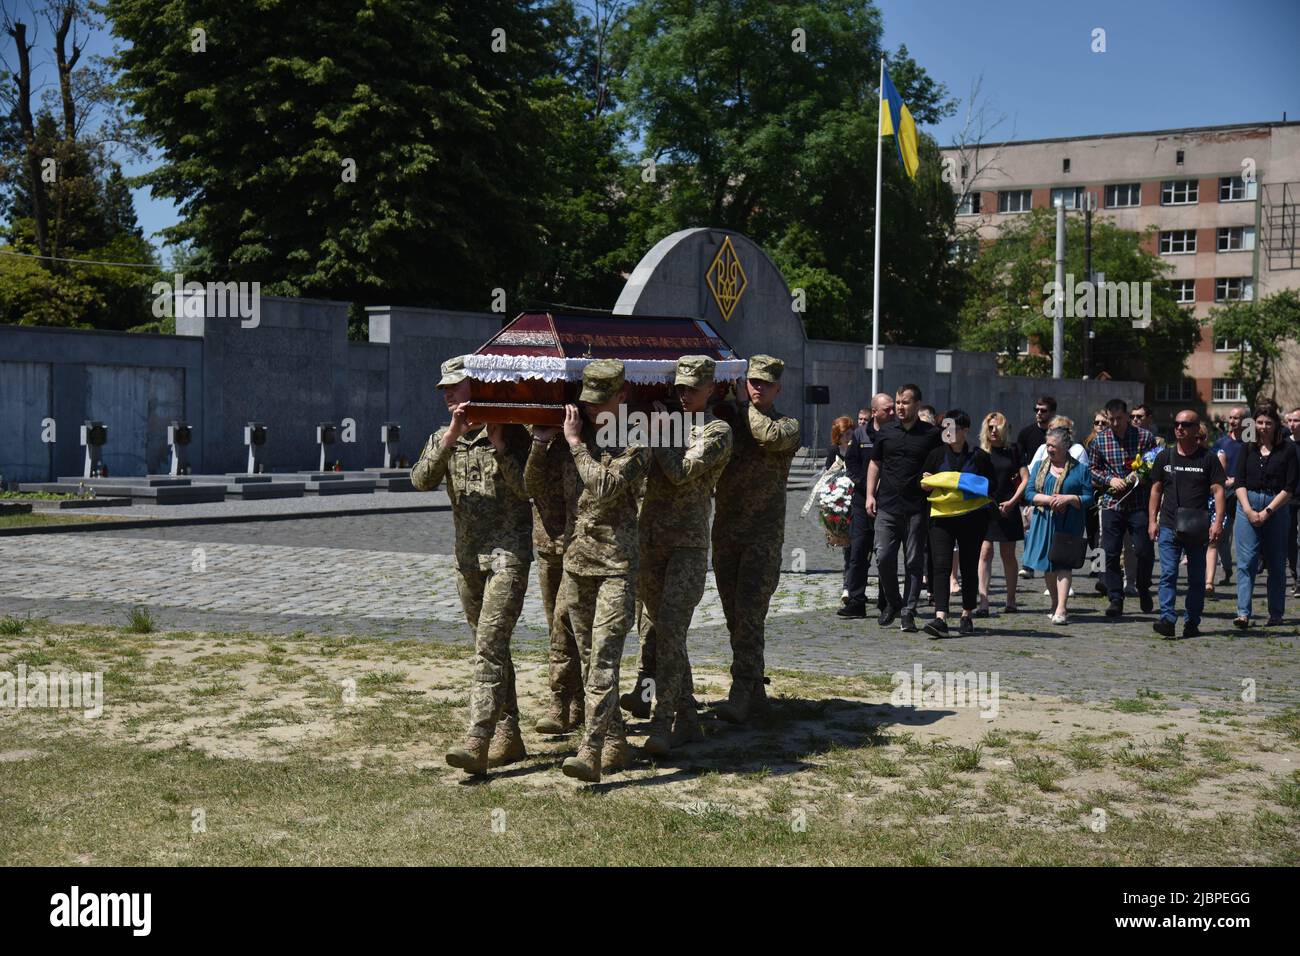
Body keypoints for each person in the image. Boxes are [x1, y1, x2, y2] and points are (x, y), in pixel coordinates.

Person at [528, 359, 650, 783]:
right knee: (586, 658)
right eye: (588, 402)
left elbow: (605, 487)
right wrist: (541, 445)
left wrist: (575, 443)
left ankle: (592, 750)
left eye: (603, 402)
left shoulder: (637, 437)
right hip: (577, 564)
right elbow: (535, 488)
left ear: (622, 397)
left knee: (603, 660)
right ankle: (615, 741)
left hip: (616, 565)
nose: (595, 410)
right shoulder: (571, 435)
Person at [413, 356, 534, 776]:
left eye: (456, 387)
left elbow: (529, 490)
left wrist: (501, 448)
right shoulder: (446, 437)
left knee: (489, 645)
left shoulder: (513, 435)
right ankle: (509, 732)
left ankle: (478, 739)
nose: (448, 394)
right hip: (467, 560)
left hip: (509, 557)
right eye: (444, 389)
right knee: (492, 648)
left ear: (478, 388)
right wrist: (451, 436)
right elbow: (420, 480)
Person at [630, 356, 733, 755]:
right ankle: (688, 717)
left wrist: (658, 435)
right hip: (649, 539)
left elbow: (680, 471)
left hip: (687, 545)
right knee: (660, 631)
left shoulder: (718, 430)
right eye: (679, 388)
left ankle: (663, 721)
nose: (684, 395)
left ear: (712, 389)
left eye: (692, 388)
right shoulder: (665, 425)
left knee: (671, 629)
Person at [711, 355, 800, 724]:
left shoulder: (787, 426)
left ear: (778, 388)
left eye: (765, 383)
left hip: (762, 537)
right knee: (736, 617)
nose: (757, 388)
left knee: (750, 613)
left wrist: (741, 406)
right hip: (727, 532)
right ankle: (756, 694)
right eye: (752, 381)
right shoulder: (728, 420)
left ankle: (739, 693)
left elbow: (766, 436)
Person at [864, 383, 943, 632]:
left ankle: (908, 610)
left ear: (917, 405)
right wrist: (869, 494)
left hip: (916, 506)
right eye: (898, 402)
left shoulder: (931, 434)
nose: (900, 407)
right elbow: (875, 463)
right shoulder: (886, 432)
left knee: (913, 562)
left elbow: (941, 465)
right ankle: (893, 602)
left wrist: (934, 478)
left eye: (905, 402)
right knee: (884, 556)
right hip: (887, 504)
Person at [1147, 411, 1225, 640]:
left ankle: (1192, 621)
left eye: (1186, 424)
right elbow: (1156, 490)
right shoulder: (1165, 457)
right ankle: (1168, 619)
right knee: (1168, 574)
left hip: (1197, 527)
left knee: (1196, 579)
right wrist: (1153, 520)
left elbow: (1219, 490)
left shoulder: (1207, 458)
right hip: (1170, 525)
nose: (1180, 428)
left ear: (1196, 429)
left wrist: (1217, 522)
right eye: (1177, 424)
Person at [920, 410, 996, 637]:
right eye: (944, 428)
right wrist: (925, 483)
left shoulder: (979, 456)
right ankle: (940, 617)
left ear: (965, 430)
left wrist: (965, 486)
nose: (947, 432)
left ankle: (967, 614)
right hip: (941, 520)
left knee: (968, 567)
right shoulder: (935, 455)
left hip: (972, 520)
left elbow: (991, 485)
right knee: (941, 567)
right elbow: (920, 482)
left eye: (952, 428)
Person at [528, 421, 583, 736]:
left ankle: (560, 700)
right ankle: (576, 700)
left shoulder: (586, 426)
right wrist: (539, 442)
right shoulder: (532, 430)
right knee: (556, 626)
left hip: (585, 543)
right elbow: (529, 484)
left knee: (568, 624)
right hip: (548, 540)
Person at [1090, 398, 1158, 617]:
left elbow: (1153, 465)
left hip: (1138, 503)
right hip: (1112, 504)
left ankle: (1144, 587)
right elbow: (1091, 469)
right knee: (1110, 552)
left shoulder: (1144, 437)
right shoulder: (1100, 441)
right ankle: (1115, 598)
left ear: (1127, 416)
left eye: (1120, 419)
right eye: (1111, 419)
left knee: (1143, 550)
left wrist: (1139, 475)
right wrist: (1109, 480)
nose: (1116, 423)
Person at [1231, 405, 1298, 629]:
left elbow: (1290, 487)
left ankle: (1276, 612)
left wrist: (1268, 511)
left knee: (1276, 562)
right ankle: (1242, 612)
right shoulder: (1247, 448)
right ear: (1254, 424)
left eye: (1268, 423)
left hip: (1276, 507)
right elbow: (1239, 481)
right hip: (1247, 504)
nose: (1263, 427)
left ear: (1276, 425)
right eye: (1259, 422)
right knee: (1247, 561)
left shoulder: (1287, 449)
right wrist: (1249, 510)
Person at [1022, 426, 1093, 624]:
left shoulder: (1080, 470)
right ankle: (1054, 603)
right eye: (1048, 445)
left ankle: (1062, 608)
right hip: (1044, 522)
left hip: (1069, 524)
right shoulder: (1039, 467)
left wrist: (1069, 498)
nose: (1049, 449)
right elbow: (1028, 493)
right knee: (1048, 566)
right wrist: (1049, 500)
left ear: (1065, 447)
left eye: (1053, 446)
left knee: (1063, 564)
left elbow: (1089, 498)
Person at [838, 392, 895, 618]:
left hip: (888, 502)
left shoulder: (896, 434)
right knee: (859, 552)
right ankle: (856, 600)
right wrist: (864, 483)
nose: (892, 413)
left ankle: (886, 601)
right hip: (862, 501)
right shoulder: (861, 434)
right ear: (874, 412)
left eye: (893, 408)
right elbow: (850, 462)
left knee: (885, 554)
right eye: (887, 409)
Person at [977, 412, 1029, 615]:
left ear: (1004, 428)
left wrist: (1013, 502)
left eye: (996, 426)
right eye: (989, 427)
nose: (993, 430)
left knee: (1008, 554)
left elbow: (1025, 478)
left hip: (1009, 506)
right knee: (984, 552)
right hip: (986, 506)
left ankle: (1011, 599)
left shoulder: (1014, 450)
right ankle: (983, 601)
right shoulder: (981, 452)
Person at [1016, 395, 1057, 582]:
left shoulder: (1057, 434)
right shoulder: (1026, 433)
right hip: (1032, 484)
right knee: (1029, 527)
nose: (1039, 413)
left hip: (1053, 485)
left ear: (1052, 412)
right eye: (1037, 410)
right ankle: (1028, 564)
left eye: (1043, 410)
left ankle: (1052, 564)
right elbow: (1019, 458)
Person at [1212, 406, 1247, 587]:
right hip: (1224, 494)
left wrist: (1238, 479)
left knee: (1243, 536)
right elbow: (1212, 466)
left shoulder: (1250, 444)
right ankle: (1227, 570)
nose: (1232, 421)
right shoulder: (1221, 443)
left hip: (1243, 494)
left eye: (1237, 418)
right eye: (1231, 418)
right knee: (1222, 536)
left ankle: (1246, 571)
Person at [823, 415, 855, 598]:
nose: (847, 437)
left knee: (858, 548)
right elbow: (828, 474)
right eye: (844, 434)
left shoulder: (857, 449)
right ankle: (848, 587)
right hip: (841, 502)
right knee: (847, 549)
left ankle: (853, 585)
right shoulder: (833, 450)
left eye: (850, 433)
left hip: (856, 500)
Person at [1286, 407, 1300, 595]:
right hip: (1287, 498)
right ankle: (1295, 575)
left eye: (1296, 421)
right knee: (1289, 540)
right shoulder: (1285, 445)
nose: (1292, 424)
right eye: (1290, 421)